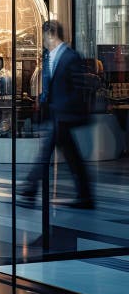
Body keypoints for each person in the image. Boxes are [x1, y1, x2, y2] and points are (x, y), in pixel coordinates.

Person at [20, 20, 94, 209]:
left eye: (44, 36)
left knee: (45, 154)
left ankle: (30, 188)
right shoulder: (48, 57)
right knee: (72, 157)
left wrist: (68, 111)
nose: (42, 40)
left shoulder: (71, 57)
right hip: (54, 116)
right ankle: (85, 196)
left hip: (63, 116)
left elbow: (79, 88)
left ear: (51, 34)